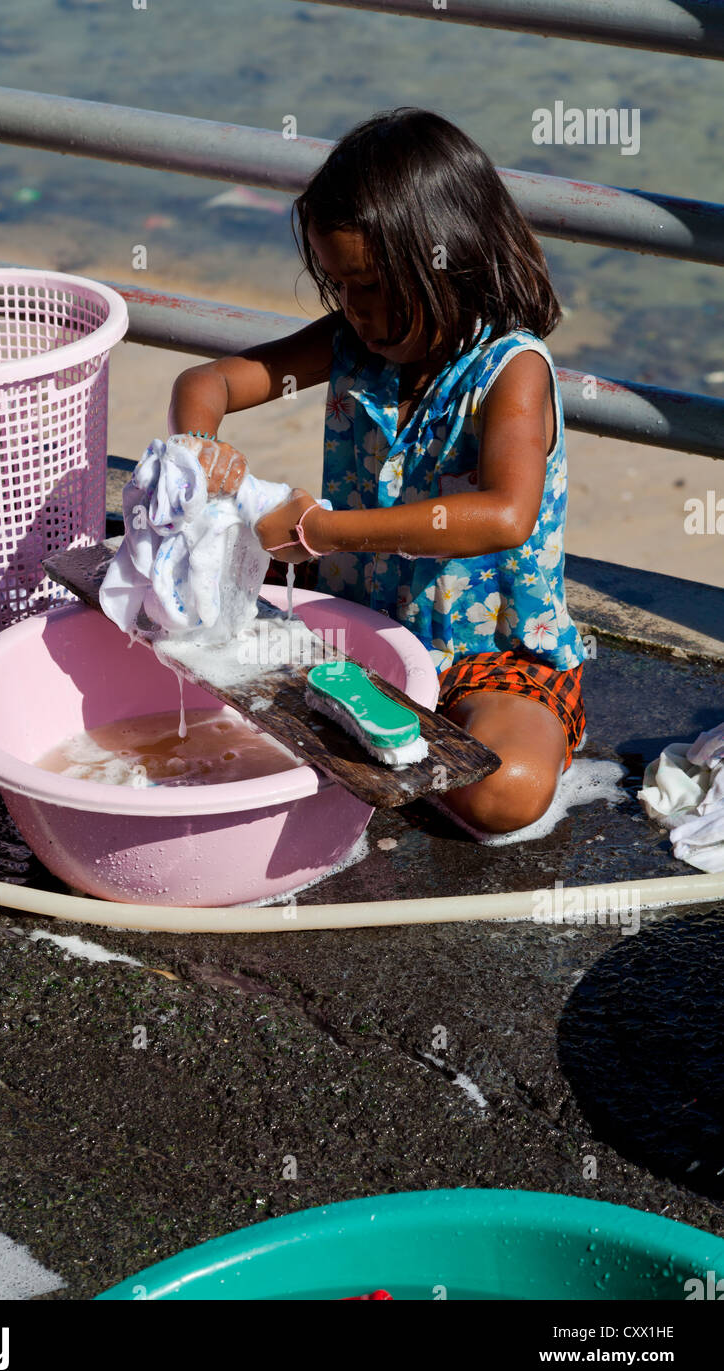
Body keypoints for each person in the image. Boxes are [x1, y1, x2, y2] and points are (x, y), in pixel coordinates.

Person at [168, 108, 586, 833]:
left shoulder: (511, 371)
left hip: (488, 657)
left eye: (370, 287)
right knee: (154, 601)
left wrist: (322, 531)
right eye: (338, 287)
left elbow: (503, 514)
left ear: (447, 262)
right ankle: (381, 743)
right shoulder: (347, 343)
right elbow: (207, 384)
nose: (354, 311)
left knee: (505, 791)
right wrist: (202, 452)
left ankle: (362, 741)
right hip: (357, 629)